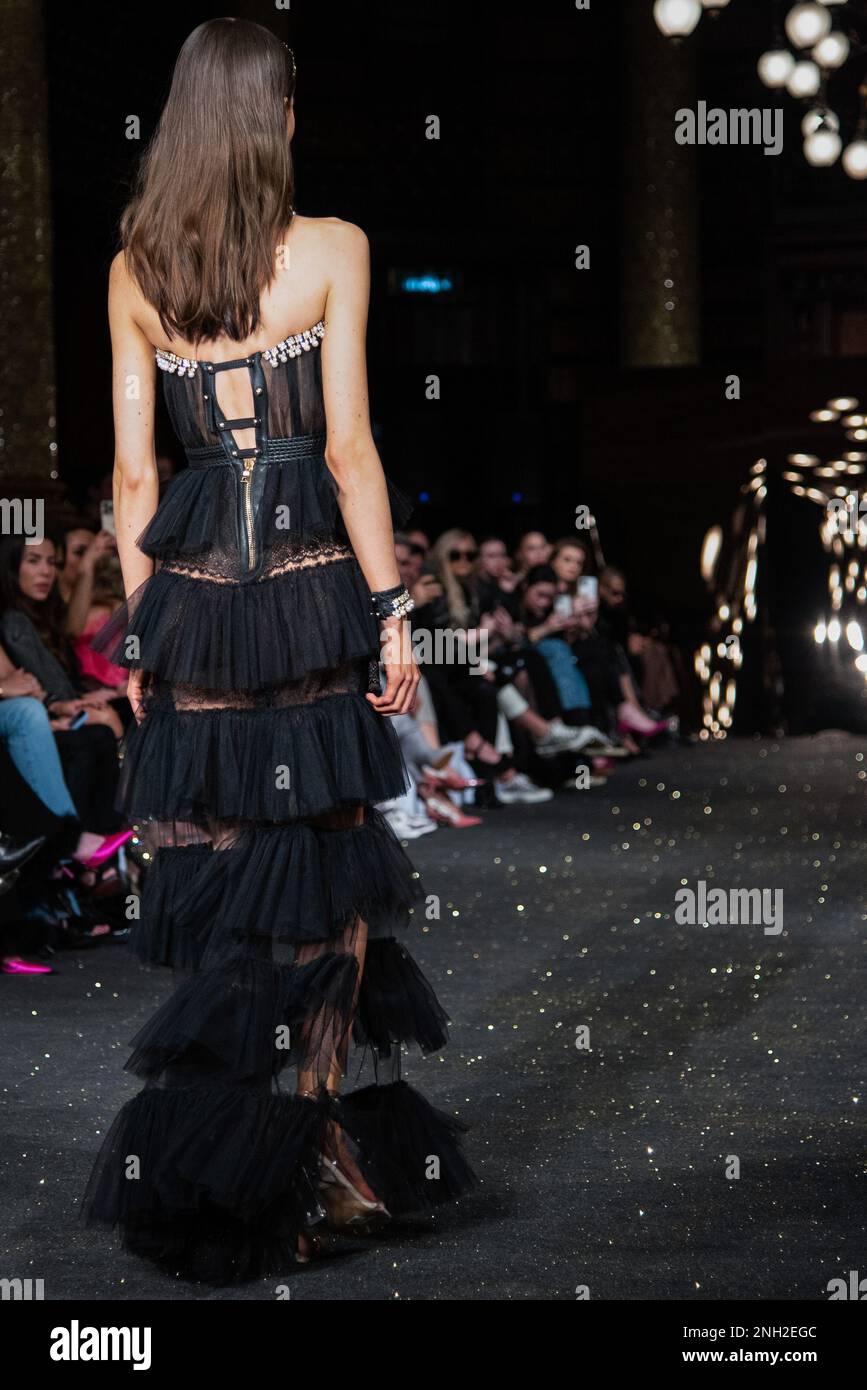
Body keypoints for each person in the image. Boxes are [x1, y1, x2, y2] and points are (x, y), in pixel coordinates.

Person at [81, 19, 475, 1284]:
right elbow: (349, 447)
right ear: (279, 118)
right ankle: (299, 1150)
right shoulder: (334, 249)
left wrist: (139, 631)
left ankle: (252, 1162)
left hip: (194, 607)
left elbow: (139, 473)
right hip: (306, 602)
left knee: (231, 888)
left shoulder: (134, 270)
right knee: (333, 895)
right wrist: (394, 611)